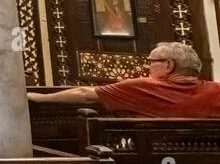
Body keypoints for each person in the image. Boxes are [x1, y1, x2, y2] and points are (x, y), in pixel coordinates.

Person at [27, 42, 220, 118]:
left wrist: (39, 97)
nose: (148, 67)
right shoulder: (216, 90)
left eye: (151, 62)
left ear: (168, 65)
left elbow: (84, 94)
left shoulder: (144, 87)